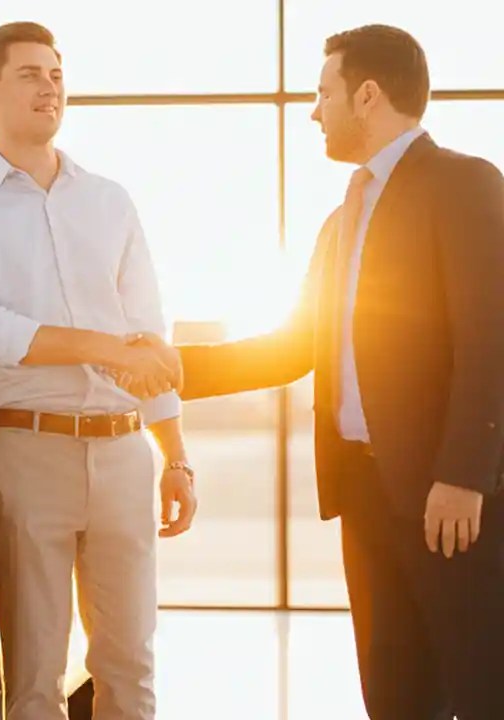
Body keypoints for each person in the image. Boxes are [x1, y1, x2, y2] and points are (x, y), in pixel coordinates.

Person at [162, 24, 504, 720]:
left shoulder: (466, 182)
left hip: (447, 499)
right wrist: (169, 370)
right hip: (365, 495)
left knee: (482, 688)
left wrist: (465, 473)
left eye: (324, 93)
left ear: (368, 95)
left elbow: (489, 336)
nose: (315, 111)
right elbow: (293, 347)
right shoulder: (340, 220)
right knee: (393, 699)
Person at [0, 21, 196, 720]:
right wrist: (103, 349)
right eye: (29, 75)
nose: (50, 86)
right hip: (29, 449)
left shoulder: (109, 201)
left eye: (56, 73)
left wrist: (178, 458)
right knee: (35, 669)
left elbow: (148, 341)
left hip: (125, 455)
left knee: (129, 665)